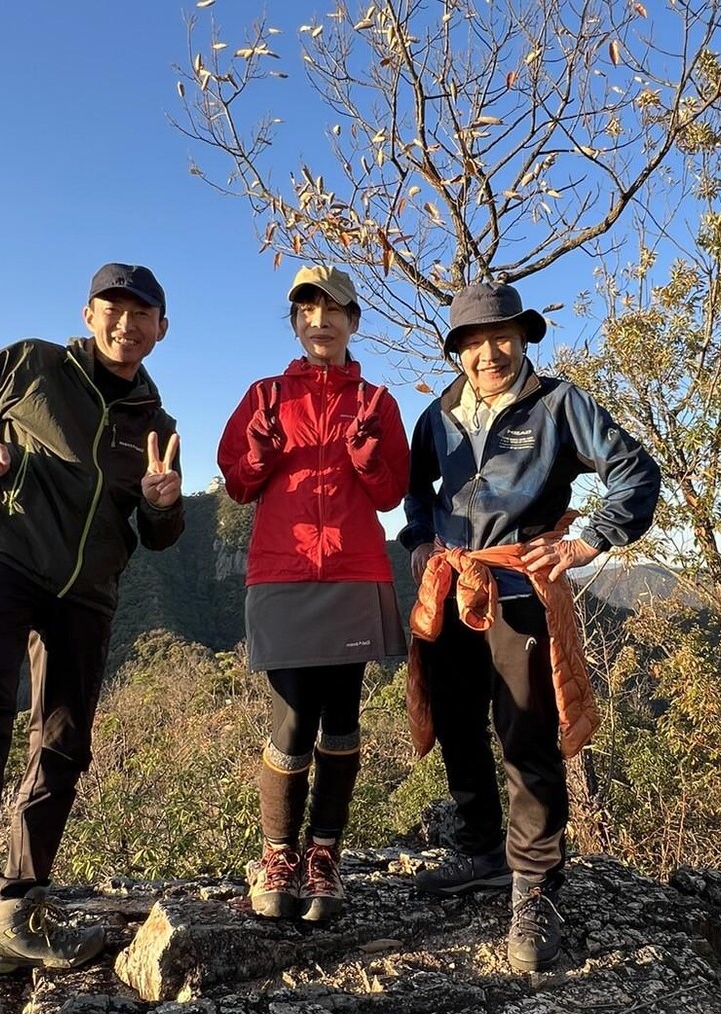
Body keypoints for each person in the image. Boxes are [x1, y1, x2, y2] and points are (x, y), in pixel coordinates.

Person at [0, 263, 184, 1014]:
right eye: (113, 309)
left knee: (63, 743)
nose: (126, 324)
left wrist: (164, 502)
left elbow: (160, 533)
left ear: (162, 329)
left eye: (143, 314)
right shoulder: (32, 364)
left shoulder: (156, 420)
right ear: (89, 314)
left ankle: (18, 904)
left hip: (86, 590)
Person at [400, 281, 660, 973]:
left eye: (502, 336)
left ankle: (536, 883)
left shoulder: (558, 404)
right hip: (451, 588)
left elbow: (635, 470)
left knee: (526, 732)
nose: (489, 352)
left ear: (522, 339)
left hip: (518, 586)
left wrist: (589, 540)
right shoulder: (438, 416)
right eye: (474, 342)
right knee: (457, 721)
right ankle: (482, 850)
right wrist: (419, 537)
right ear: (457, 352)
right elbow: (415, 488)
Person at [217, 265, 409, 922]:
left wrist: (366, 458)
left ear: (353, 321)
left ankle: (324, 856)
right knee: (293, 718)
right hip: (282, 572)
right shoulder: (265, 395)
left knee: (343, 716)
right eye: (306, 309)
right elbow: (238, 483)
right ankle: (278, 854)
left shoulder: (378, 402)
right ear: (295, 321)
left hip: (353, 571)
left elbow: (391, 493)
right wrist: (261, 453)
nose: (319, 320)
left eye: (333, 310)